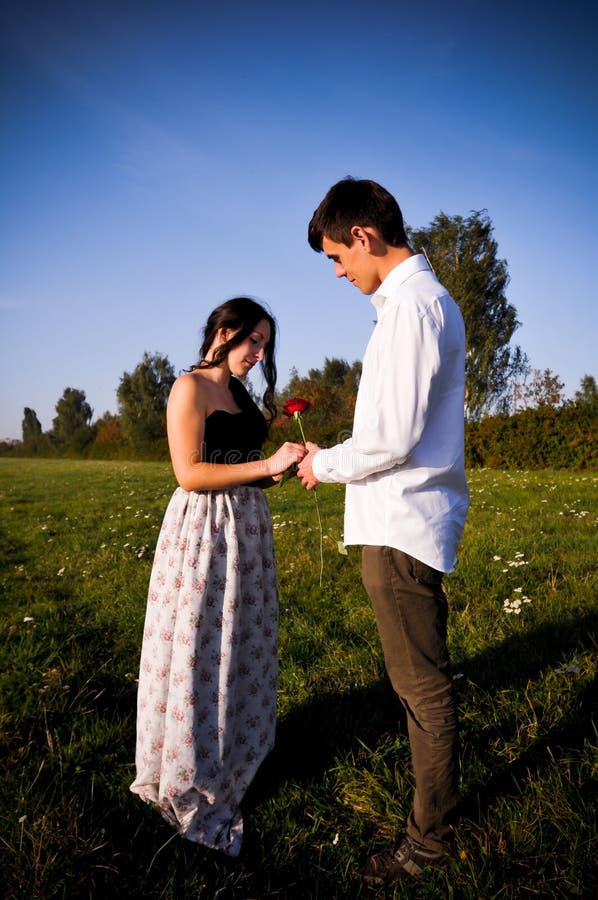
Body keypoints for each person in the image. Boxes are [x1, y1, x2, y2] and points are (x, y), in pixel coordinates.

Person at [297, 178, 470, 885]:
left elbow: (390, 436)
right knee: (419, 681)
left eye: (338, 256)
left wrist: (323, 463)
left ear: (364, 237)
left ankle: (429, 842)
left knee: (421, 687)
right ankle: (434, 821)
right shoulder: (413, 305)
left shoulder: (410, 310)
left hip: (402, 523)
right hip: (402, 519)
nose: (339, 272)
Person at [130, 297, 306, 857]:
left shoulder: (237, 392)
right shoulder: (190, 388)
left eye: (265, 345)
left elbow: (245, 463)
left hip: (246, 527)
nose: (259, 354)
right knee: (202, 645)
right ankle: (188, 763)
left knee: (240, 644)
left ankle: (232, 749)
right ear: (224, 333)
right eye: (254, 341)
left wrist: (290, 466)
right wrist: (267, 465)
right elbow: (189, 472)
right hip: (204, 530)